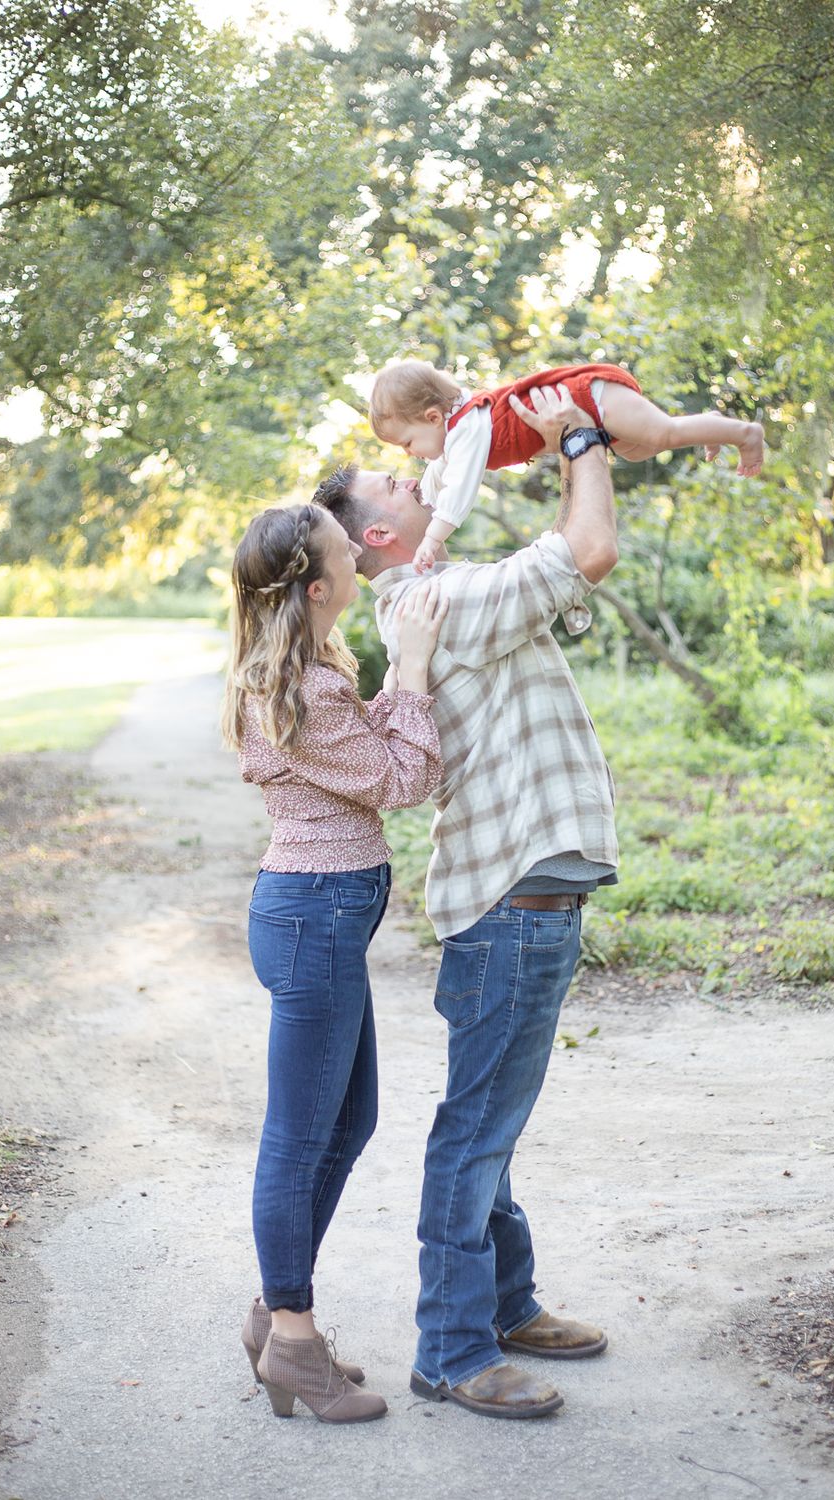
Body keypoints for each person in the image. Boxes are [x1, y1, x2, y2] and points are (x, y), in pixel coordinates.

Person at [315, 383, 620, 1420]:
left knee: (492, 1117)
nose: (423, 465)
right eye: (399, 476)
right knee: (475, 1128)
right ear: (385, 531)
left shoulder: (448, 588)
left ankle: (504, 1301)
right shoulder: (425, 603)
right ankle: (450, 1348)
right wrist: (580, 428)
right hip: (510, 906)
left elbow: (563, 574)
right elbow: (588, 548)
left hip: (526, 898)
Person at [221, 501, 446, 1424]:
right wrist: (416, 671)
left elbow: (373, 758)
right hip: (314, 919)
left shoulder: (309, 667)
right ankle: (298, 1341)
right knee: (299, 1137)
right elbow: (399, 778)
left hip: (321, 918)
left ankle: (271, 1319)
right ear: (319, 587)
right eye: (343, 549)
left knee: (349, 1121)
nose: (359, 549)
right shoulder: (306, 690)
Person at [368, 357, 765, 571]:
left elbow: (457, 493)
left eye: (408, 442)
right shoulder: (452, 440)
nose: (409, 454)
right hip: (582, 406)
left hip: (583, 395)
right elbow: (438, 486)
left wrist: (432, 541)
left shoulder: (467, 430)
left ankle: (745, 433)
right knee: (635, 449)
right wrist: (422, 507)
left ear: (434, 417)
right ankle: (711, 427)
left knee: (661, 434)